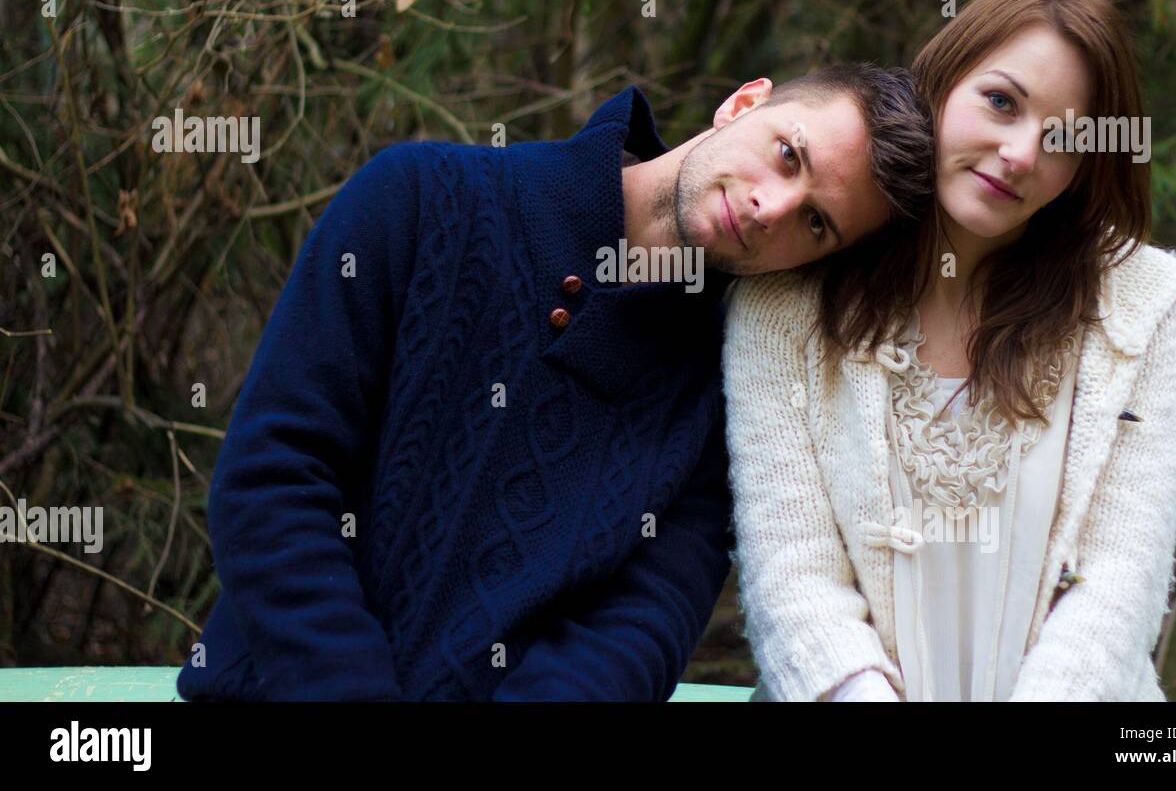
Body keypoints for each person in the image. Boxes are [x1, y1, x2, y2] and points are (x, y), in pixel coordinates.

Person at [176, 64, 932, 700]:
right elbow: (274, 479)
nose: (774, 207)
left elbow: (644, 622)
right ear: (743, 102)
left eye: (818, 225)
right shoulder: (419, 199)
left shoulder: (727, 389)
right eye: (788, 156)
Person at [724, 0, 1176, 702]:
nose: (1020, 153)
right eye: (1001, 102)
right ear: (943, 82)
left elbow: (1121, 583)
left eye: (1064, 137)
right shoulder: (787, 300)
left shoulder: (1144, 303)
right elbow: (793, 577)